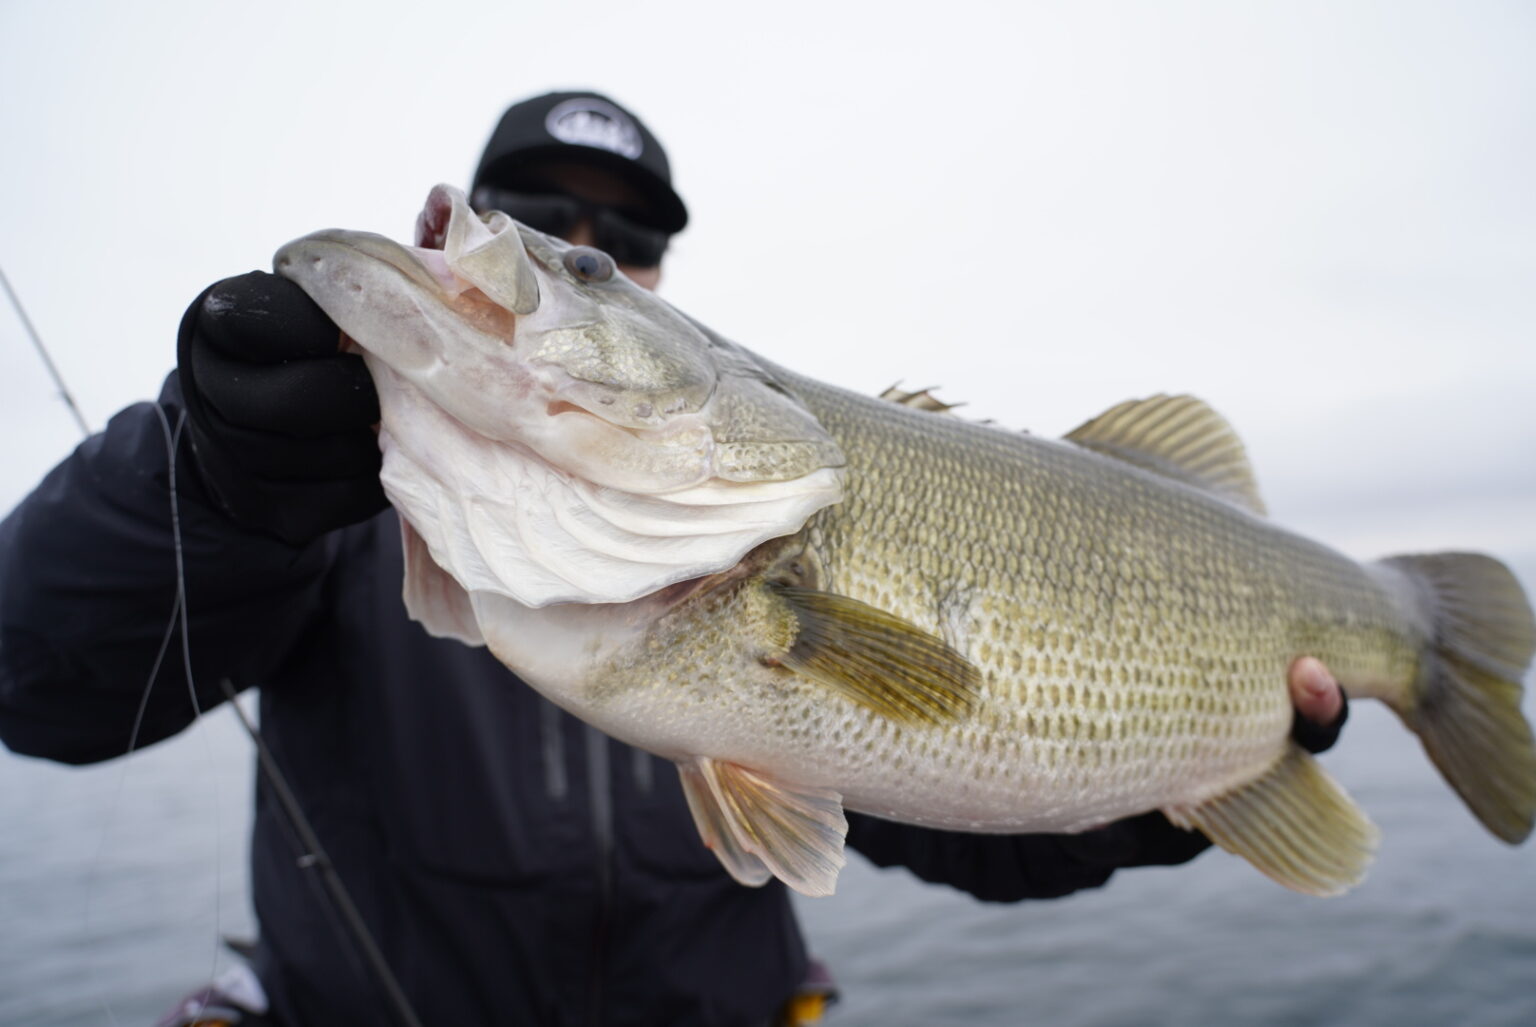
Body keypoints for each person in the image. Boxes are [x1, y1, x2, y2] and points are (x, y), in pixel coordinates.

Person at [0, 92, 1347, 1027]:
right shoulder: (332, 517)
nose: (581, 253)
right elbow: (38, 683)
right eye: (533, 215)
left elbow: (961, 821)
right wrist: (210, 483)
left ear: (666, 283)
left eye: (622, 250)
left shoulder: (764, 518)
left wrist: (1159, 795)